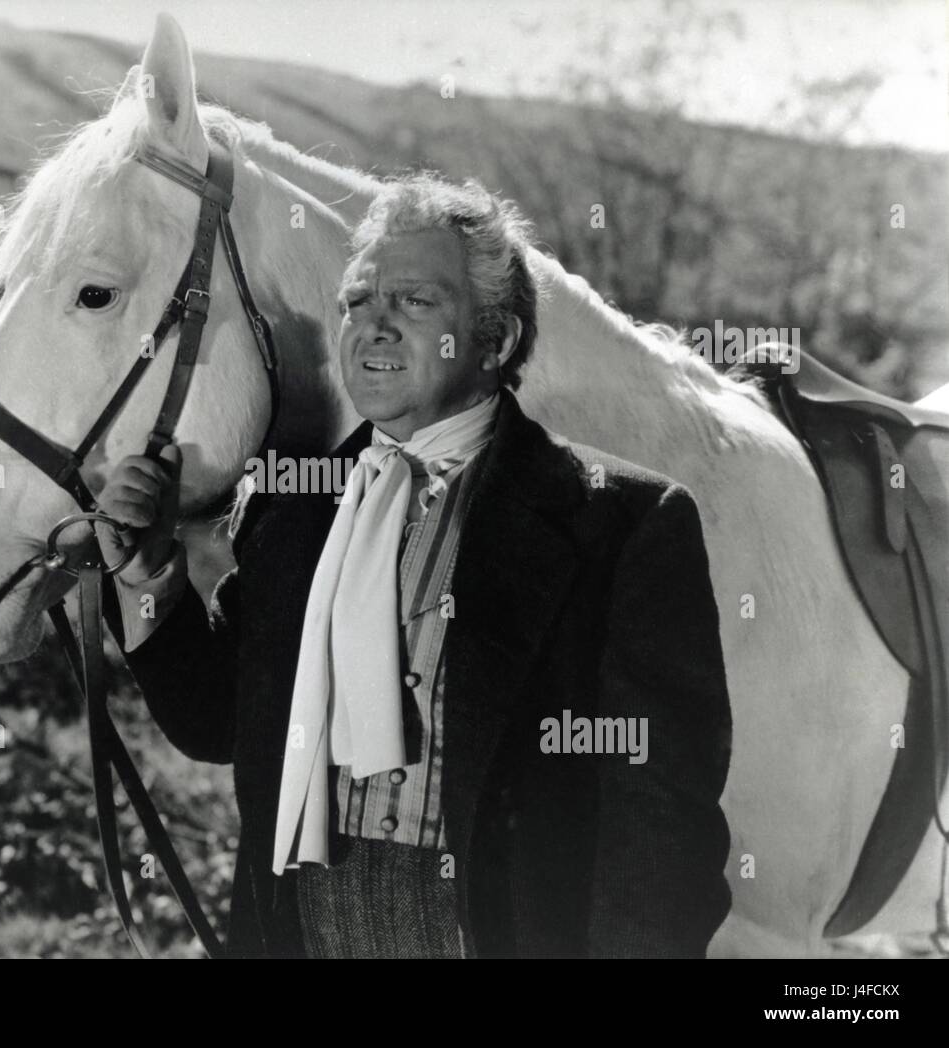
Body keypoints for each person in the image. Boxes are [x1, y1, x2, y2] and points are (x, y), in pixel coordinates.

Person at [95, 174, 733, 958]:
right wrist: (150, 576)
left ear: (495, 340)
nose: (373, 326)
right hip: (307, 929)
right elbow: (220, 722)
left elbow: (663, 827)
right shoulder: (296, 507)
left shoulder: (621, 523)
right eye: (358, 302)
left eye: (415, 302)